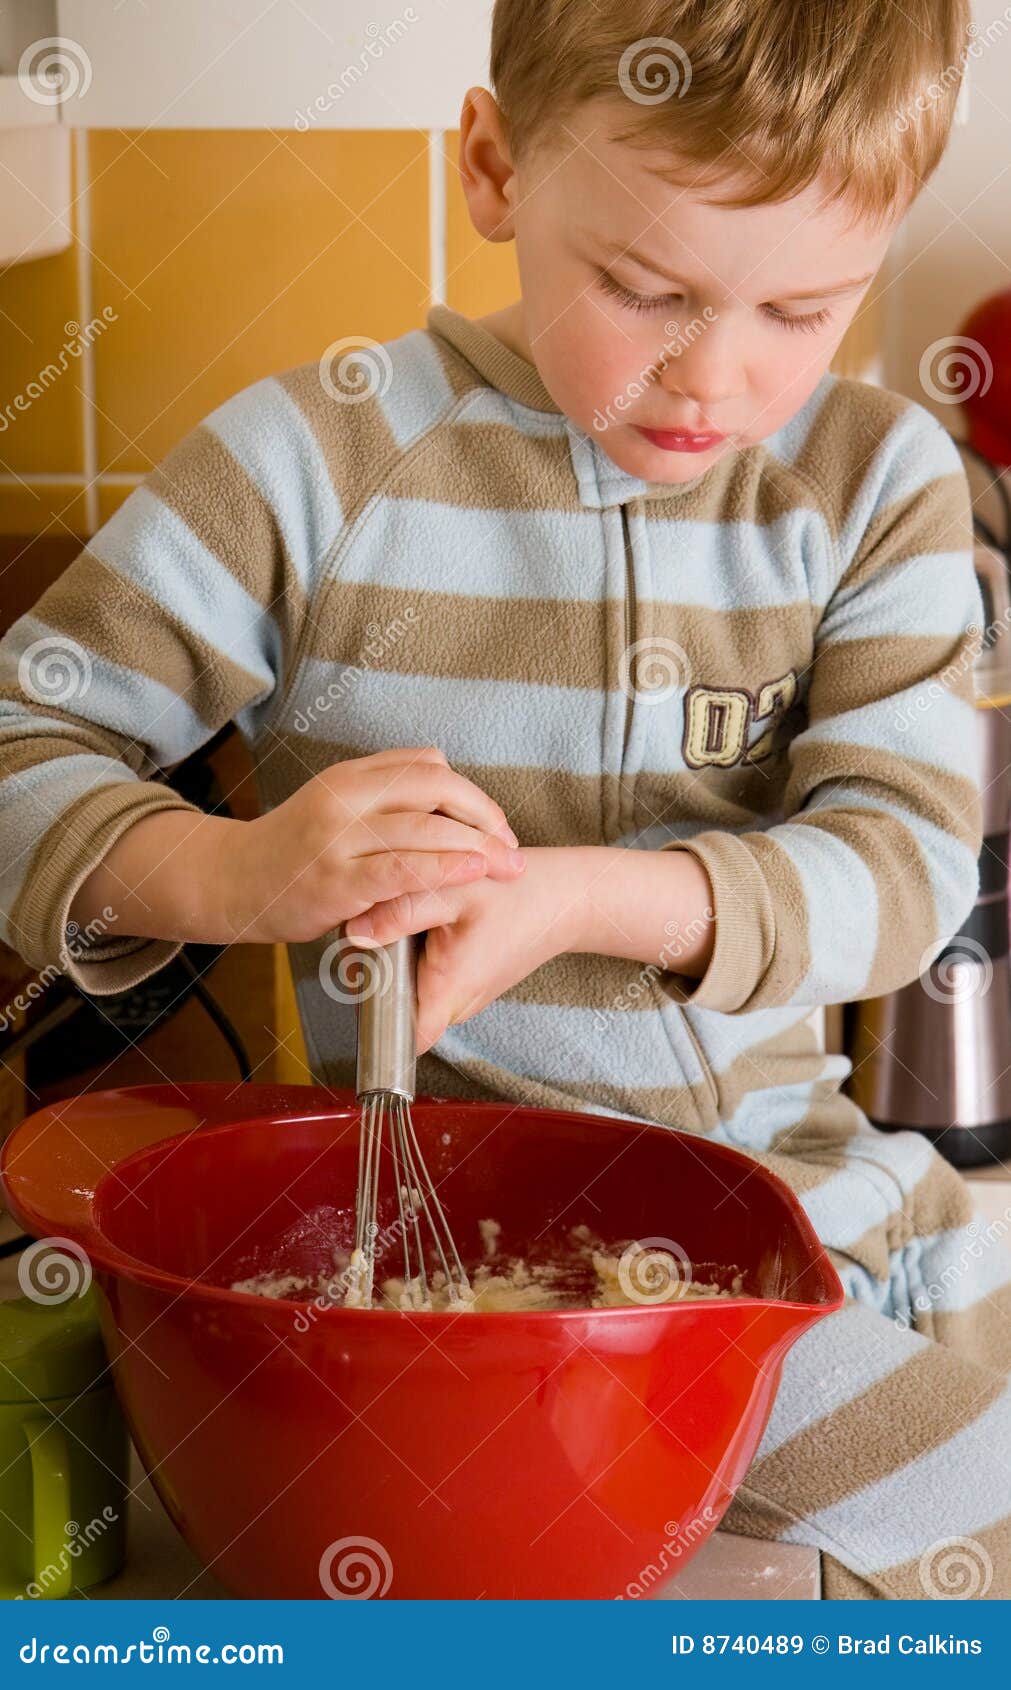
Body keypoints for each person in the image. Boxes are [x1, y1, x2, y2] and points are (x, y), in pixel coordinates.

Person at [1, 0, 1008, 1598]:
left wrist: (574, 897)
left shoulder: (874, 479)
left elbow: (903, 866)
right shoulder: (315, 460)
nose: (719, 376)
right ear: (494, 167)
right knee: (973, 1479)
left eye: (802, 309)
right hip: (499, 1284)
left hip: (831, 1184)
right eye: (643, 288)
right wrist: (234, 871)